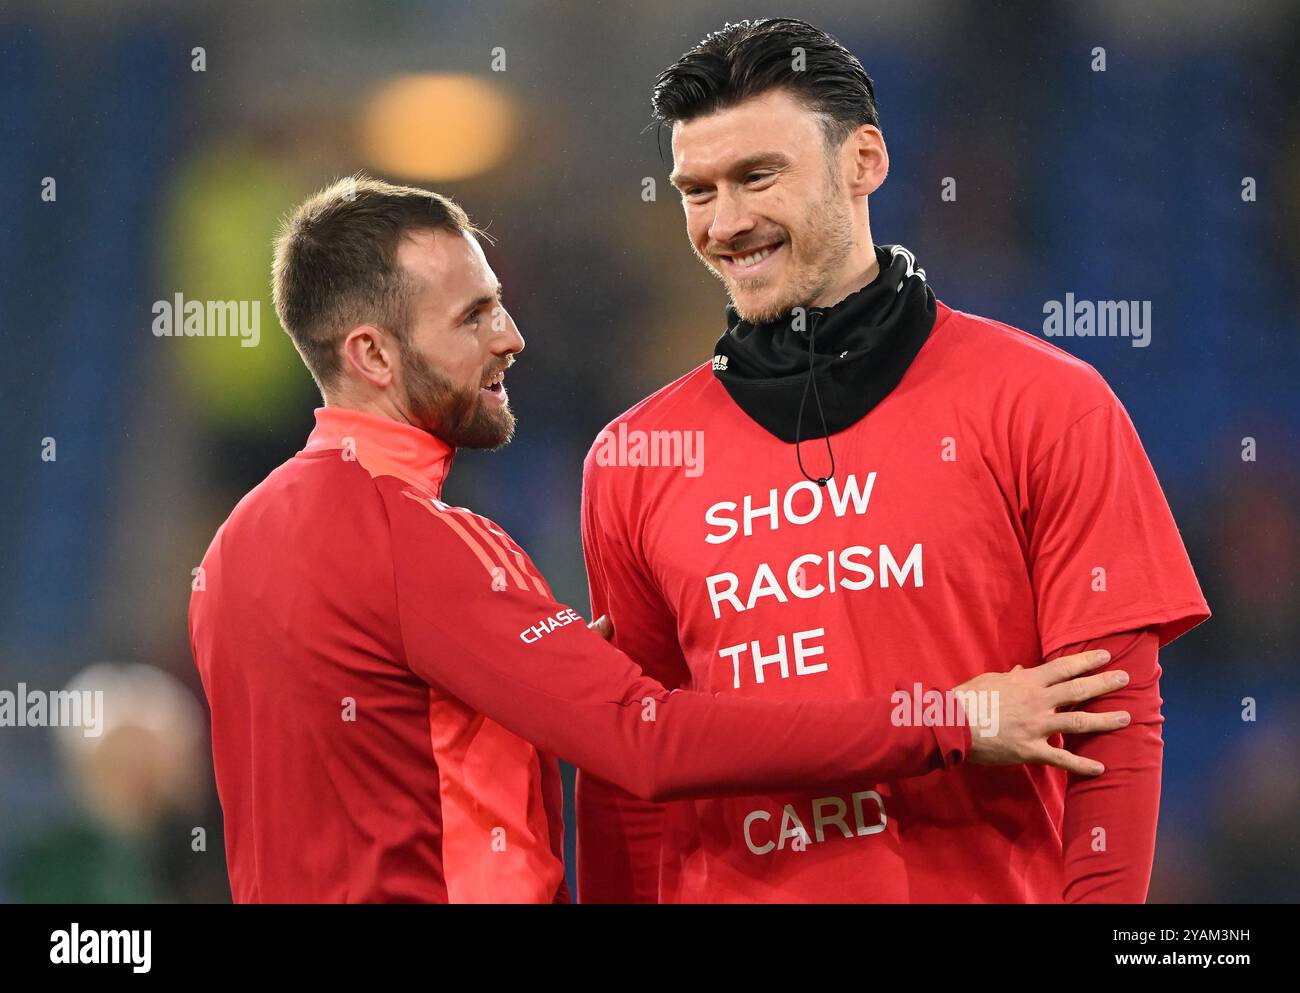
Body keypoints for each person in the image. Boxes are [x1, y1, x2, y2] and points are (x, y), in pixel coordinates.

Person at [188, 176, 1131, 903]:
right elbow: (645, 740)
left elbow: (376, 763)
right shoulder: (416, 538)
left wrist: (543, 688)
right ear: (373, 354)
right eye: (473, 316)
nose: (512, 336)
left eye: (499, 301)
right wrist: (954, 720)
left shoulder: (234, 545)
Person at [576, 18, 1210, 903]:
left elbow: (1114, 722)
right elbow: (631, 762)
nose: (726, 223)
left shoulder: (1045, 402)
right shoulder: (634, 457)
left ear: (863, 161)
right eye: (697, 190)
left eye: (758, 176)